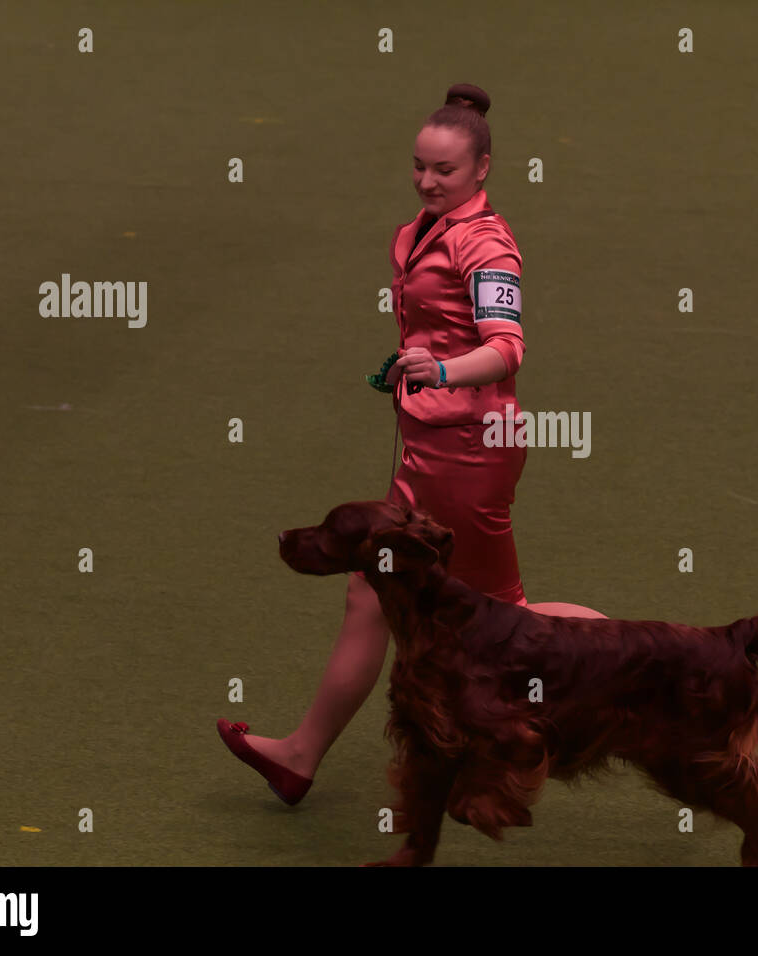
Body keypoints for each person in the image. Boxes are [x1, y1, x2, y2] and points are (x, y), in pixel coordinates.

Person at [218, 83, 603, 805]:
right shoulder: (426, 229)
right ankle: (300, 756)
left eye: (444, 170)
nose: (427, 180)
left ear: (482, 169)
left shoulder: (486, 243)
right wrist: (411, 369)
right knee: (369, 588)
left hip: (469, 453)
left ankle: (645, 662)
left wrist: (442, 371)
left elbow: (507, 347)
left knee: (504, 616)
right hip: (429, 446)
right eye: (419, 166)